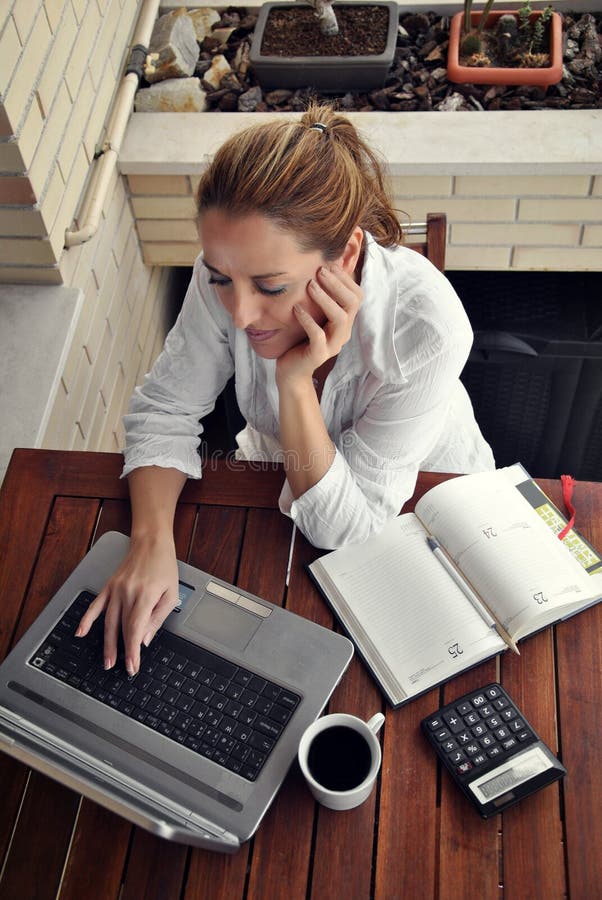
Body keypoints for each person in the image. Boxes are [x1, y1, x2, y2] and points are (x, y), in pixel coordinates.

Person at [76, 102, 494, 676]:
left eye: (270, 286)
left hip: (425, 507)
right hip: (282, 488)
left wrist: (294, 383)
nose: (242, 313)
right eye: (222, 279)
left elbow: (349, 531)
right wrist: (149, 540)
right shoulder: (224, 272)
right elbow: (165, 408)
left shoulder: (428, 328)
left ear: (345, 254)